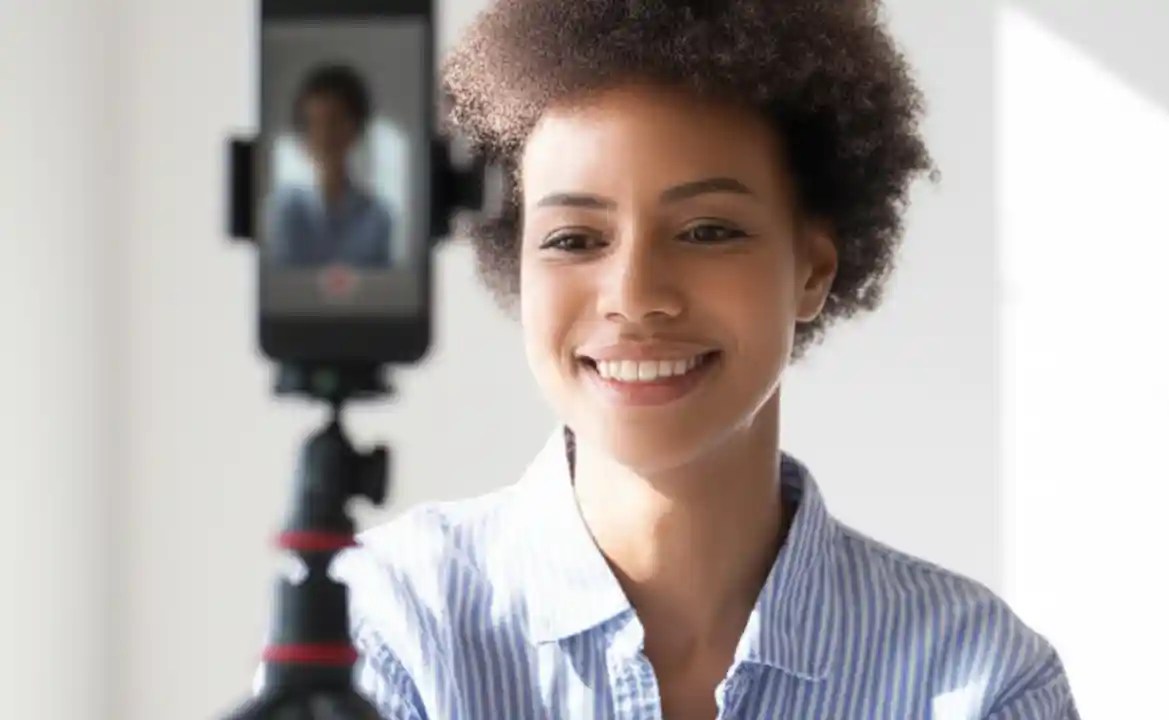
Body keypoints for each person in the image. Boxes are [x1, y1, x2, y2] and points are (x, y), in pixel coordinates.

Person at [330, 1, 1080, 717]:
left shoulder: (978, 679)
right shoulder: (387, 630)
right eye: (574, 239)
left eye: (708, 231)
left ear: (814, 269)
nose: (635, 295)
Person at [269, 63, 393, 269]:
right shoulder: (284, 208)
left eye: (334, 121)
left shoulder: (377, 216)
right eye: (315, 123)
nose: (325, 135)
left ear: (355, 128)